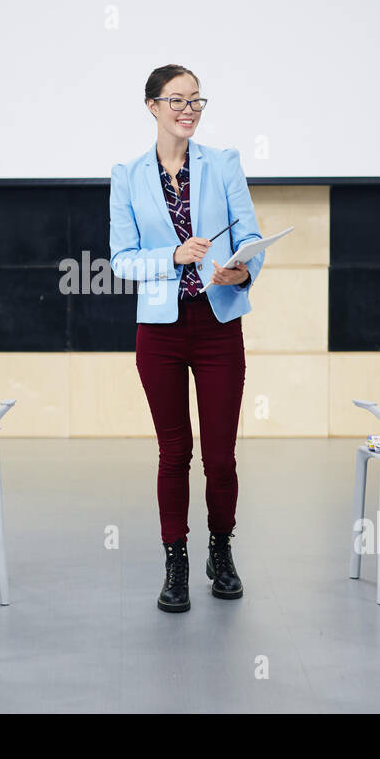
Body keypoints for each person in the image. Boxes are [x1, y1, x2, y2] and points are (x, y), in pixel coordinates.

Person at [109, 64, 267, 613]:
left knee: (220, 456)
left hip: (218, 325)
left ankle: (219, 551)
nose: (189, 110)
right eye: (177, 100)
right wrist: (171, 256)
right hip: (161, 331)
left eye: (197, 100)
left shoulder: (222, 165)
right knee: (175, 451)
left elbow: (250, 236)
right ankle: (175, 559)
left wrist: (241, 270)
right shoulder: (127, 175)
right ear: (152, 106)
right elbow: (122, 262)